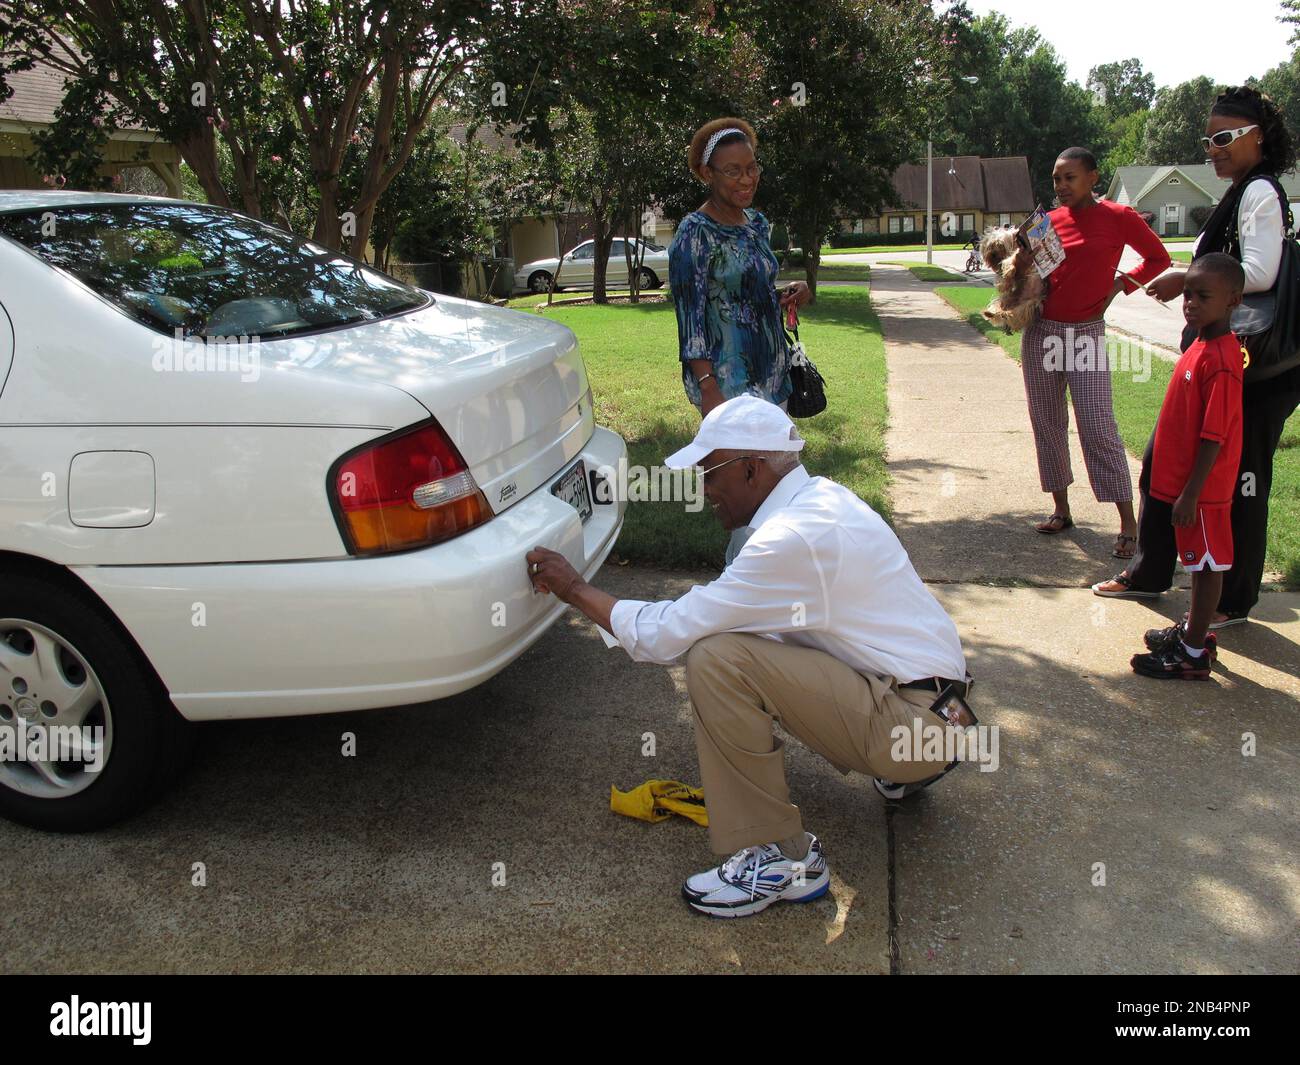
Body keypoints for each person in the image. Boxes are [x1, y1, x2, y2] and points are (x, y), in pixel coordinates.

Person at [524, 397, 973, 918]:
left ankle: (785, 860)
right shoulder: (824, 498)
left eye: (710, 474)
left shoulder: (789, 540)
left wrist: (575, 588)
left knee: (717, 659)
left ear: (752, 469)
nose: (704, 490)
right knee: (746, 639)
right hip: (944, 711)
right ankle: (910, 770)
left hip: (915, 729)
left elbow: (665, 635)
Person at [1095, 87, 1299, 624]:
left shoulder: (1259, 193)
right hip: (1208, 360)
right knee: (1163, 463)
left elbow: (1262, 272)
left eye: (1225, 137)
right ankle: (1151, 571)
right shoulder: (1238, 193)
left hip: (1252, 370)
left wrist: (1187, 276)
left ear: (1258, 137)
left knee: (1240, 484)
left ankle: (1229, 601)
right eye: (1209, 139)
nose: (1214, 148)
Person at [1022, 148, 1172, 558]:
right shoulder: (1046, 223)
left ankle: (1128, 523)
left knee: (1097, 424)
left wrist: (1120, 286)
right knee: (1047, 422)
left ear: (1093, 177)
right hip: (1041, 333)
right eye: (1056, 179)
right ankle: (1061, 509)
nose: (1061, 186)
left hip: (1085, 334)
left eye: (1070, 177)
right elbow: (1031, 275)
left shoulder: (1118, 218)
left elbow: (1158, 258)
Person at [1119, 255, 1245, 680]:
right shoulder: (1200, 343)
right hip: (1186, 488)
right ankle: (1196, 630)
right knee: (1196, 563)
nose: (1189, 302)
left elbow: (1215, 437)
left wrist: (1191, 493)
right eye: (1187, 293)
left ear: (1233, 300)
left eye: (1202, 296)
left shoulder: (1224, 361)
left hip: (1204, 494)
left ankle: (1192, 654)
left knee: (1207, 567)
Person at [669, 118, 811, 418]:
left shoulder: (756, 223)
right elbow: (689, 319)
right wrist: (708, 387)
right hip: (727, 381)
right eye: (733, 171)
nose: (747, 179)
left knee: (779, 463)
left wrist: (786, 295)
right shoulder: (695, 232)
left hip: (774, 373)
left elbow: (746, 291)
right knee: (738, 464)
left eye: (751, 168)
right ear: (708, 174)